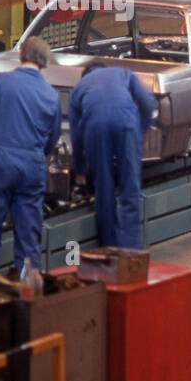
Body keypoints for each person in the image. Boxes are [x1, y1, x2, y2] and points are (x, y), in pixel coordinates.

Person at [0, 36, 62, 278]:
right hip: (33, 166)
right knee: (28, 234)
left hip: (0, 161)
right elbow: (52, 140)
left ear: (22, 54)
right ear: (44, 62)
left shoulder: (1, 82)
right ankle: (28, 292)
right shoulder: (51, 95)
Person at [68, 62, 157, 249]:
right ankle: (131, 251)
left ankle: (109, 249)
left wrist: (80, 170)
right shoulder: (122, 72)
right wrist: (140, 131)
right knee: (130, 187)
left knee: (103, 188)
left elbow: (75, 135)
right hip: (126, 122)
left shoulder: (78, 88)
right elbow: (148, 102)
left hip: (95, 128)